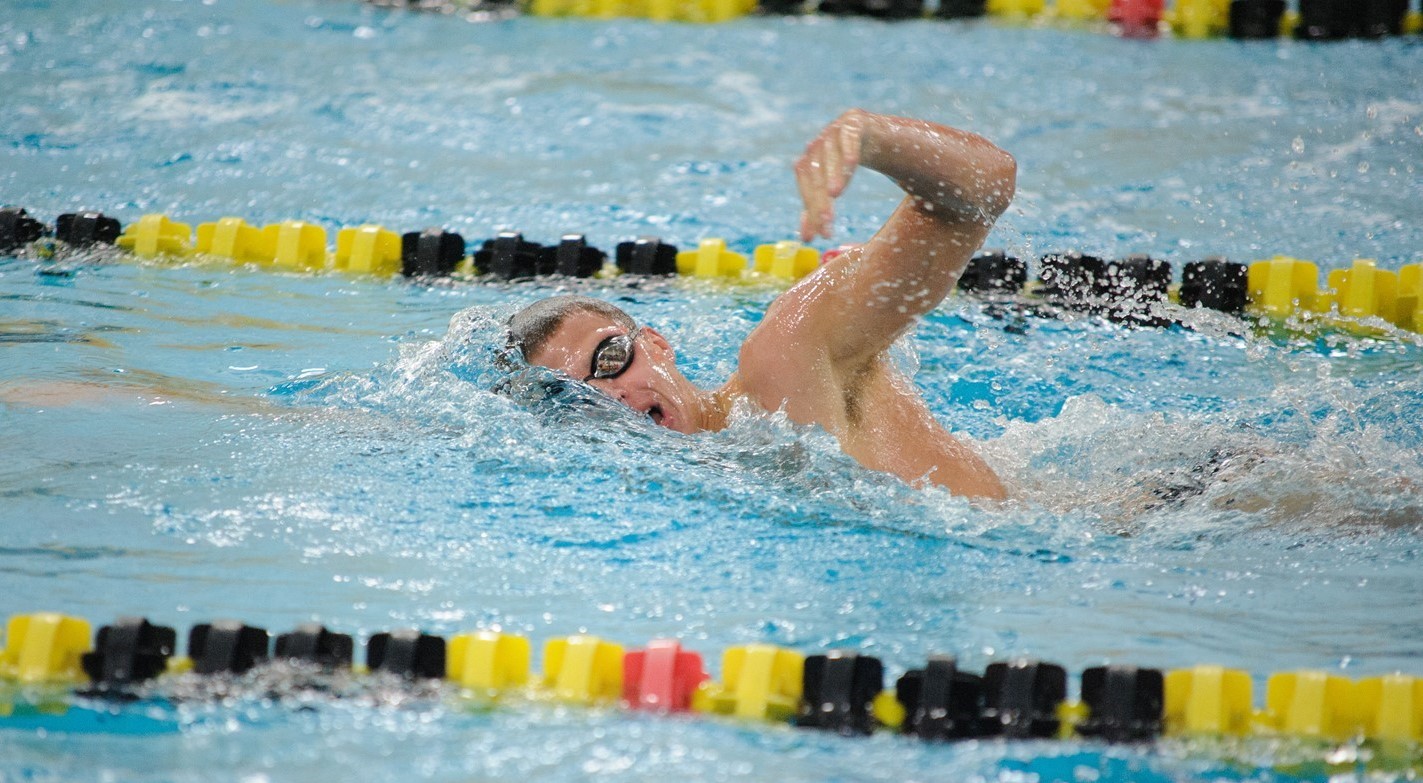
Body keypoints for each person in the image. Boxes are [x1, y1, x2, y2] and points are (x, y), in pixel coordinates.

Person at [503, 109, 1015, 501]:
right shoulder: (706, 479)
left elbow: (986, 187)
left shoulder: (786, 358)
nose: (606, 397)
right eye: (569, 397)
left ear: (656, 344)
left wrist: (871, 135)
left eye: (609, 359)